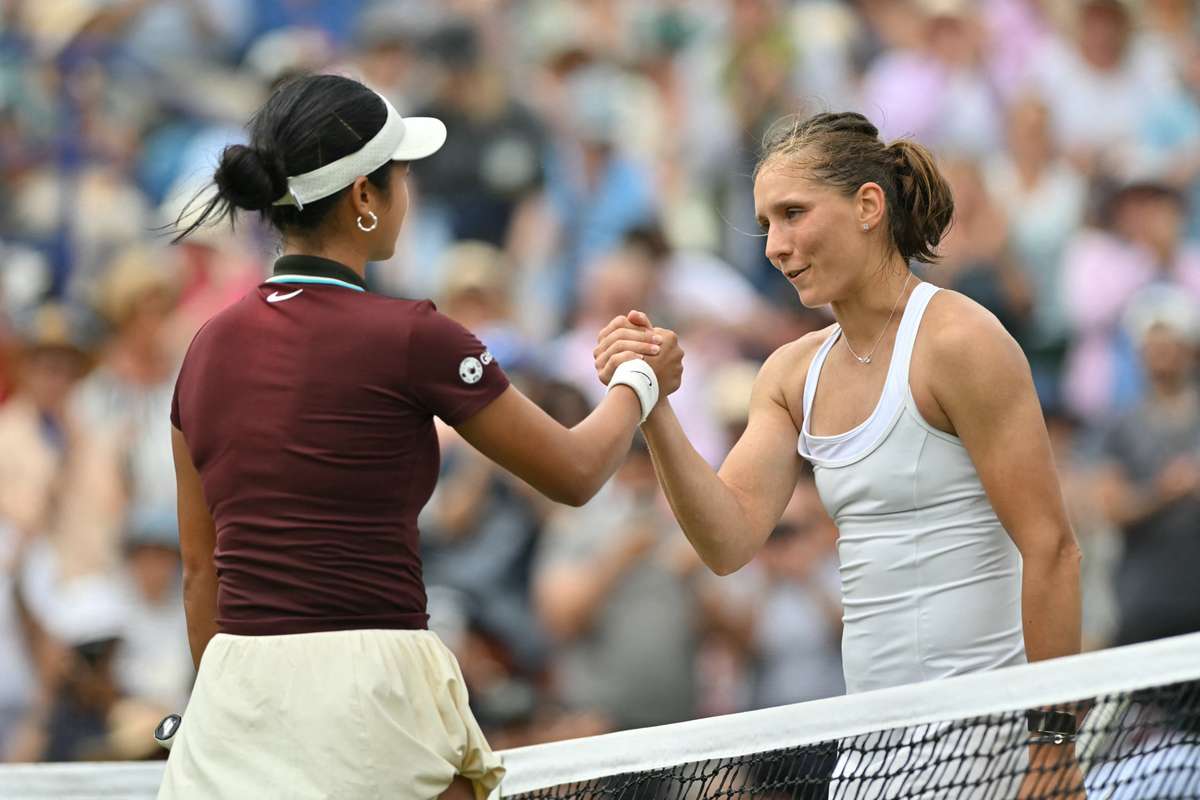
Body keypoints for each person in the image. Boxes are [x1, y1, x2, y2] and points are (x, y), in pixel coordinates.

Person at [160, 74, 682, 800]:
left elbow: (198, 572)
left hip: (234, 699)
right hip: (372, 698)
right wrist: (641, 380)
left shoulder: (204, 348)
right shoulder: (413, 336)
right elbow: (577, 471)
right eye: (400, 173)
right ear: (364, 198)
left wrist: (220, 702)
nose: (409, 189)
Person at [594, 112, 1084, 796]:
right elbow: (728, 542)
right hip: (873, 760)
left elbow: (1052, 548)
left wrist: (1054, 746)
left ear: (868, 206)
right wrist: (656, 407)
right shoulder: (789, 373)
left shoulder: (960, 340)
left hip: (993, 749)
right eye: (766, 222)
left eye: (793, 213)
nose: (775, 245)